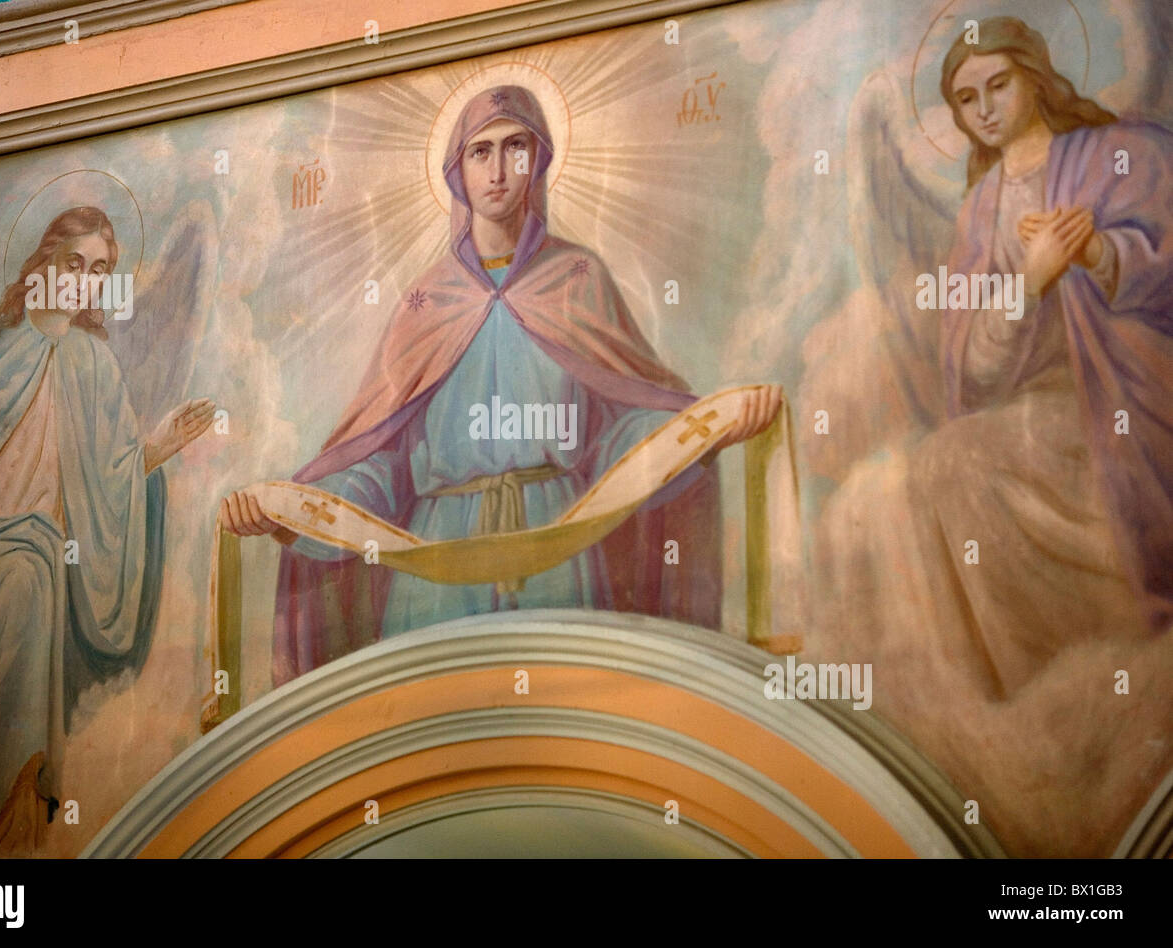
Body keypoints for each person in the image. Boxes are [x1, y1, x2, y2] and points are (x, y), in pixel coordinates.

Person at [222, 85, 781, 684]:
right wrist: (290, 513)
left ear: (538, 161)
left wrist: (708, 429)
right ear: (457, 172)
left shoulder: (577, 280)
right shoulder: (425, 304)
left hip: (558, 557)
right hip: (435, 574)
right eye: (479, 152)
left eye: (516, 148)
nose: (497, 170)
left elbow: (622, 430)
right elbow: (383, 467)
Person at [813, 17, 1173, 700]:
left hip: (1121, 394)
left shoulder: (1110, 156)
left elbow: (1167, 266)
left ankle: (1069, 674)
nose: (984, 109)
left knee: (958, 461)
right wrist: (1031, 281)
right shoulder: (980, 213)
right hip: (1035, 406)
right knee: (935, 468)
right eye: (966, 98)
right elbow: (974, 367)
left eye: (998, 85)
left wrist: (1098, 255)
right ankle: (1034, 686)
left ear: (1034, 78)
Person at [0, 206, 214, 854]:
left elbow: (107, 494)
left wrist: (153, 451)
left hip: (43, 578)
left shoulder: (97, 368)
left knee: (33, 556)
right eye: (74, 264)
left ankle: (9, 834)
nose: (84, 281)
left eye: (101, 271)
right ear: (43, 265)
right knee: (24, 555)